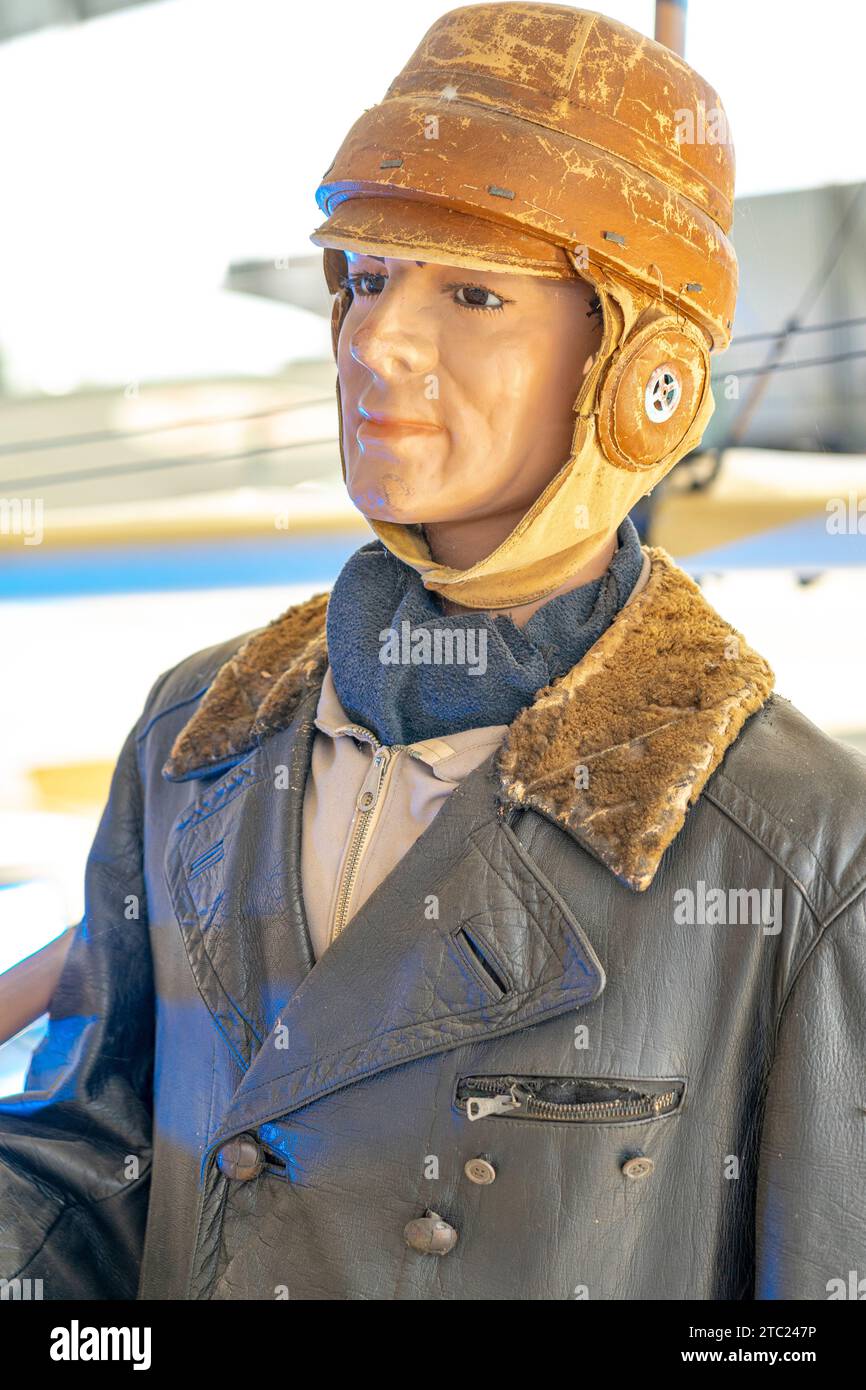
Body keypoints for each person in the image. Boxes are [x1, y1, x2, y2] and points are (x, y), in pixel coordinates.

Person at [1, 3, 864, 1302]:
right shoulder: (194, 736)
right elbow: (94, 1169)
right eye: (360, 278)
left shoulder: (794, 841)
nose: (375, 339)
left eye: (468, 292)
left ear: (646, 371)